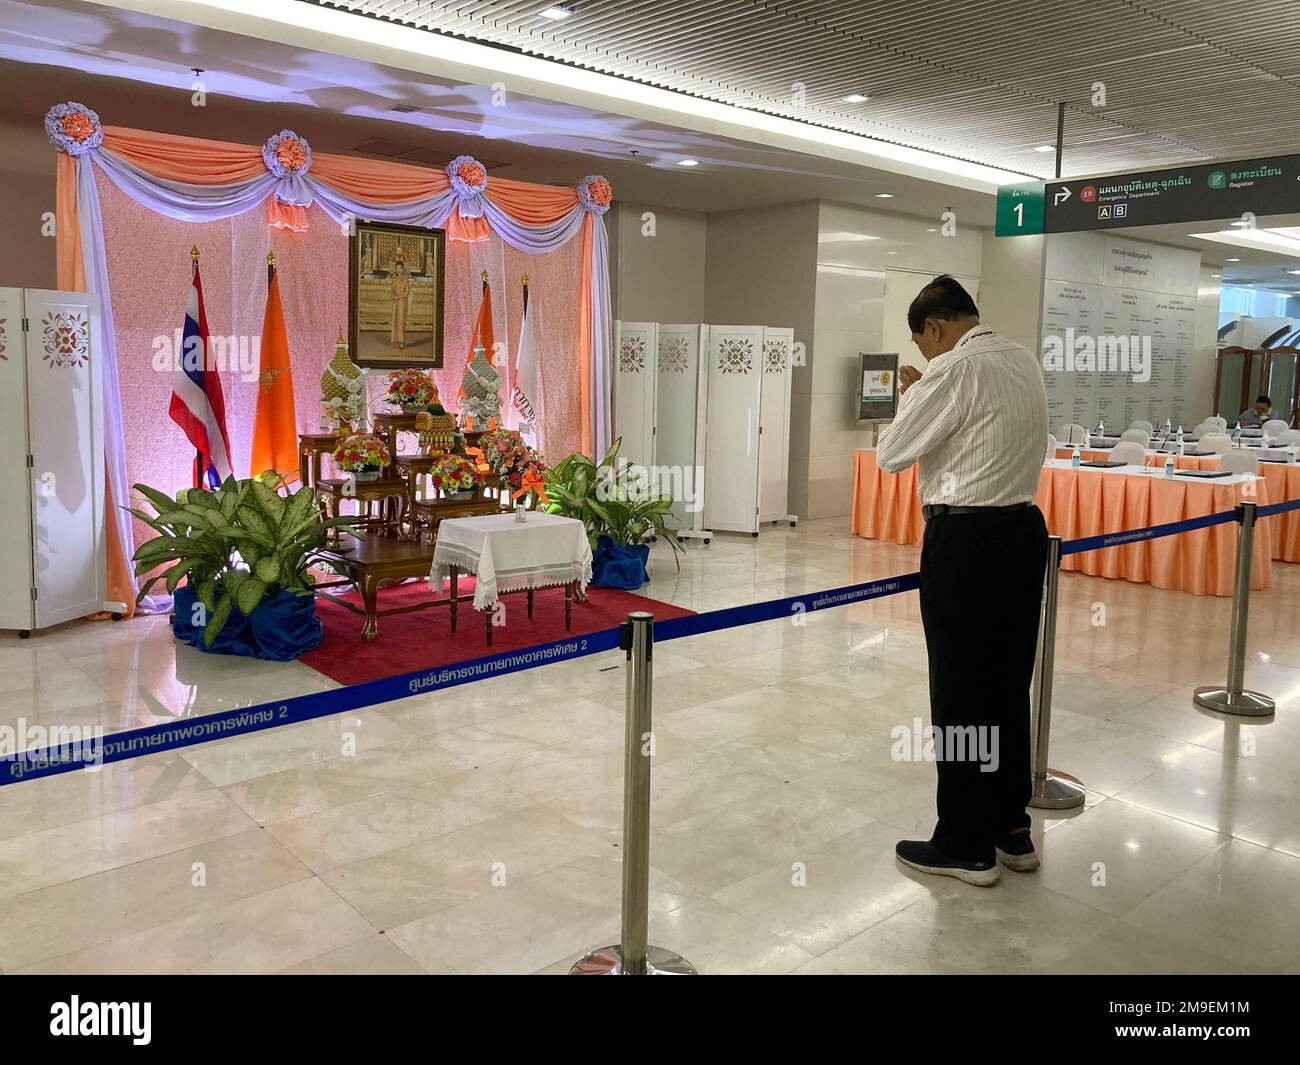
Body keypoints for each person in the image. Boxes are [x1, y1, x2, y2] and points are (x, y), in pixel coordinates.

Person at [877, 276, 1049, 887]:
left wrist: (916, 395)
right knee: (1006, 683)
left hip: (966, 541)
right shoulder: (1022, 357)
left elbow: (892, 453)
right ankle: (1010, 828)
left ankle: (963, 844)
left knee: (959, 691)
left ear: (936, 328)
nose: (927, 353)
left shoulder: (952, 368)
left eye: (923, 341)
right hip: (1024, 533)